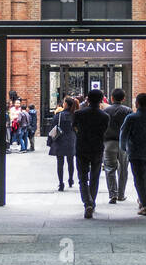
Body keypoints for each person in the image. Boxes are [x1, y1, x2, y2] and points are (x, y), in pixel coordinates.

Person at [119, 92, 146, 216]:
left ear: (136, 103)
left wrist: (124, 149)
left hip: (135, 153)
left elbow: (123, 135)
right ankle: (143, 199)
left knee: (138, 179)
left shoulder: (131, 118)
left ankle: (144, 205)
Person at [72, 87, 110, 218]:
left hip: (82, 147)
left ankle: (87, 202)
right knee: (95, 177)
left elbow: (74, 128)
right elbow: (104, 131)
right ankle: (92, 202)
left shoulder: (78, 114)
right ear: (101, 100)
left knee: (82, 178)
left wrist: (81, 134)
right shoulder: (105, 116)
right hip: (97, 148)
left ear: (87, 99)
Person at [102, 87, 131, 203]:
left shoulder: (106, 111)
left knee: (109, 169)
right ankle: (121, 194)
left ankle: (112, 194)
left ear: (112, 98)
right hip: (123, 144)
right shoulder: (128, 111)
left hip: (108, 143)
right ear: (123, 99)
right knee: (123, 169)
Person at [48, 95, 77, 190]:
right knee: (70, 161)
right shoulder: (74, 115)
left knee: (60, 163)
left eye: (64, 102)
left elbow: (52, 129)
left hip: (60, 140)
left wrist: (50, 142)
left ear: (66, 104)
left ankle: (61, 183)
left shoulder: (59, 115)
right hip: (71, 140)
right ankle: (70, 179)